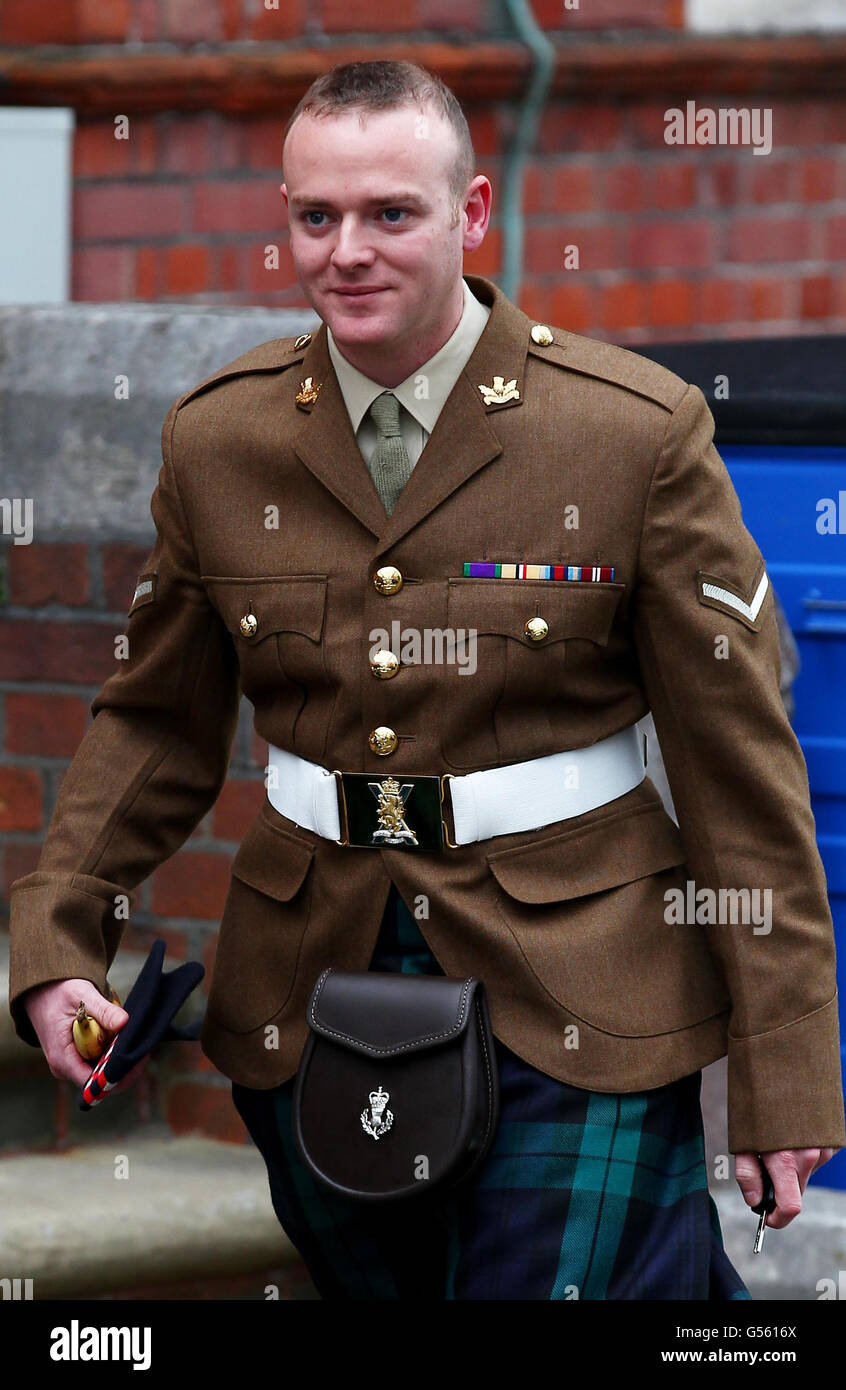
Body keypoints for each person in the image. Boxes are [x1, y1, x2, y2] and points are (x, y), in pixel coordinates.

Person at [9, 59, 844, 1301]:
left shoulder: (630, 432)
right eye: (315, 216)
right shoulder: (218, 439)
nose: (347, 251)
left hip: (584, 992)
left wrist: (785, 1070)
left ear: (473, 213)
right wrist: (56, 936)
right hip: (309, 993)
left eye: (391, 213)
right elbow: (153, 723)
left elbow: (741, 768)